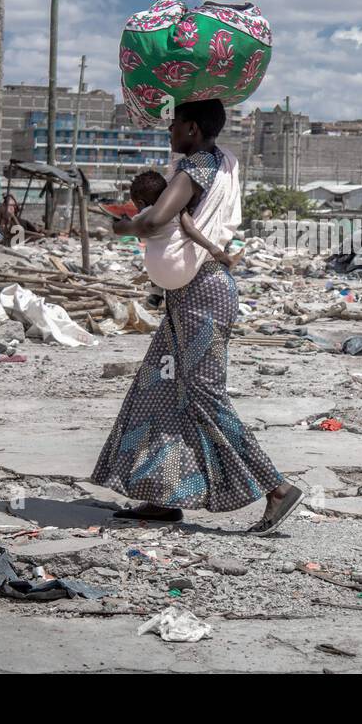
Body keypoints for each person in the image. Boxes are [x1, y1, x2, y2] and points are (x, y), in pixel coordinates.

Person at [93, 99, 302, 534]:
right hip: (191, 295)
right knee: (160, 388)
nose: (168, 132)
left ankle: (276, 488)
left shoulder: (196, 168)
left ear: (190, 127)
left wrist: (121, 226)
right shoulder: (221, 162)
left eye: (173, 125)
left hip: (203, 295)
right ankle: (162, 495)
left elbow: (156, 222)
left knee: (205, 393)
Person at [129, 169, 242, 269]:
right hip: (180, 270)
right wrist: (212, 248)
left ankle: (156, 291)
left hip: (154, 273)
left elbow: (141, 239)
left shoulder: (139, 219)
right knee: (195, 242)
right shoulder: (175, 209)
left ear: (140, 203)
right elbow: (190, 228)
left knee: (153, 248)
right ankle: (227, 261)